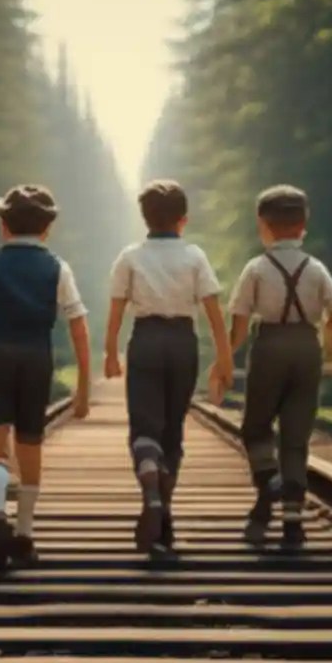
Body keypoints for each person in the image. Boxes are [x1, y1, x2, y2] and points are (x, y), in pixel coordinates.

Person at [0, 185, 91, 572]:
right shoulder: (57, 267)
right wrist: (83, 387)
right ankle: (25, 534)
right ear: (47, 230)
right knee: (30, 443)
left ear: (3, 226)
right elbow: (78, 326)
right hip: (37, 359)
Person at [104, 179, 234, 558]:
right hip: (182, 343)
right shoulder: (195, 256)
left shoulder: (129, 256)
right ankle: (166, 514)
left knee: (144, 426)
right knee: (173, 430)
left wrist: (111, 351)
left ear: (144, 218)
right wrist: (223, 358)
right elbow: (213, 310)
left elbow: (116, 307)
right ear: (183, 220)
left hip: (144, 341)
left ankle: (148, 480)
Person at [227, 185, 332, 548]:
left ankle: (268, 483)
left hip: (269, 347)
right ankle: (293, 525)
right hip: (306, 348)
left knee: (256, 426)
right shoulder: (317, 269)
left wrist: (223, 360)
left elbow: (240, 320)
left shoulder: (256, 269)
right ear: (302, 226)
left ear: (263, 226)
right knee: (296, 436)